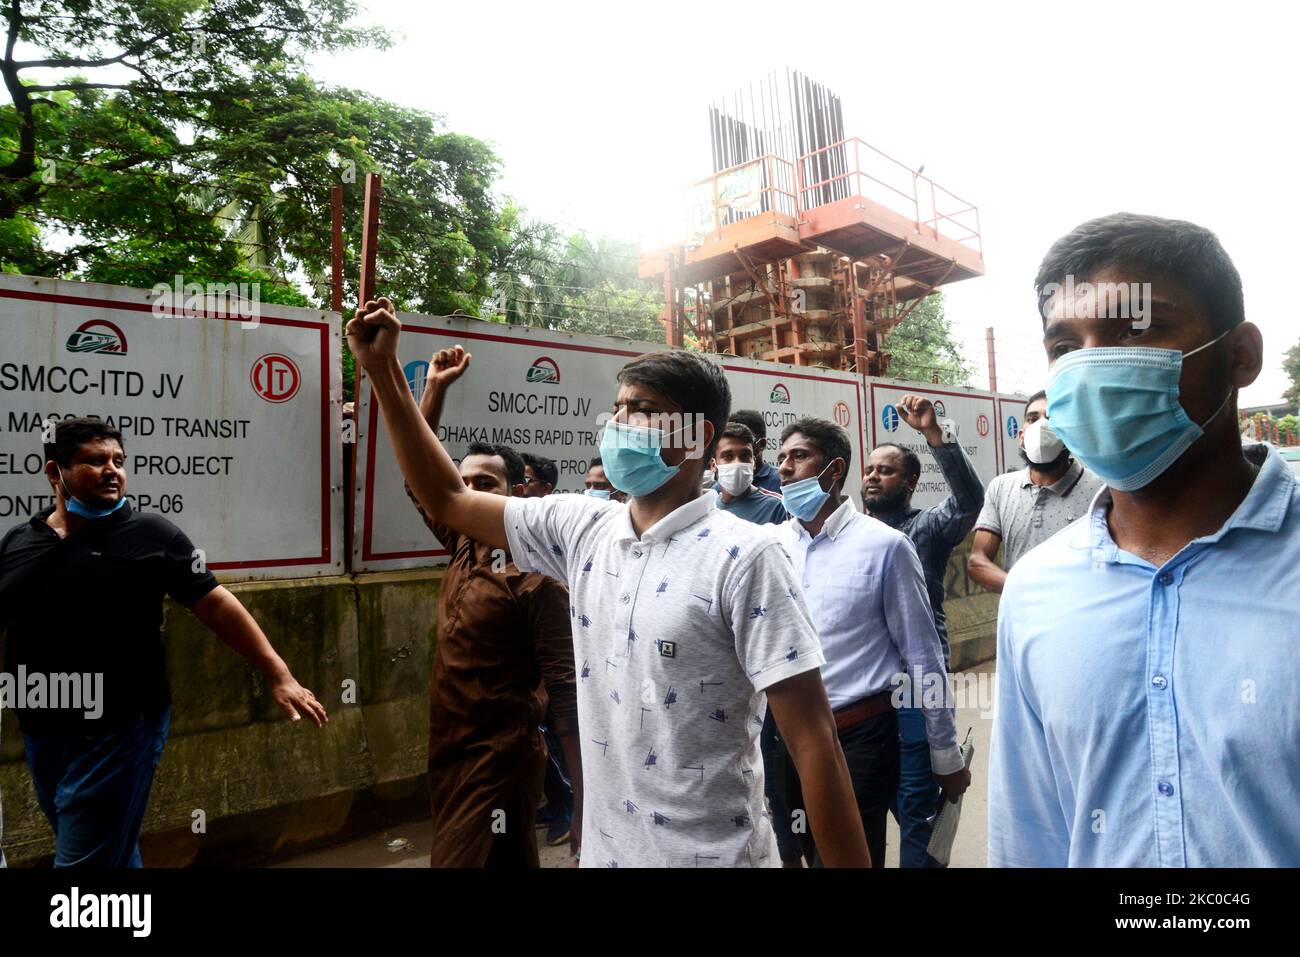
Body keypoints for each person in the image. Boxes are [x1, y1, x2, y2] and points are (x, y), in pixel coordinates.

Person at [348, 297, 871, 867]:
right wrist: (383, 372)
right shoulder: (580, 527)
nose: (618, 423)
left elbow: (814, 741)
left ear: (695, 438)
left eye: (640, 409)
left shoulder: (747, 556)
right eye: (617, 408)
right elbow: (446, 497)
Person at [989, 212, 1299, 867]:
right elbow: (1031, 832)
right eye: (1066, 345)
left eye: (1141, 329)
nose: (1094, 367)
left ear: (1239, 354)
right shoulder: (1036, 591)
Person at [0, 418, 326, 868]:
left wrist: (279, 673)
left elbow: (215, 605)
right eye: (94, 461)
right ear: (55, 473)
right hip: (41, 726)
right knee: (105, 845)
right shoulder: (20, 540)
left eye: (118, 460)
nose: (112, 470)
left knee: (84, 861)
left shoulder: (153, 535)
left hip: (119, 726)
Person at [774, 417, 970, 868]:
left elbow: (923, 656)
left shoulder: (886, 547)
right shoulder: (772, 546)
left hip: (859, 738)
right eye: (781, 458)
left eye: (799, 456)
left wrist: (945, 750)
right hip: (784, 735)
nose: (784, 468)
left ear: (834, 470)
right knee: (802, 852)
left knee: (847, 858)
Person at [410, 350, 581, 866]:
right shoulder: (464, 543)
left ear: (518, 493)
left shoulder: (538, 580)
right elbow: (421, 477)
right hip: (449, 750)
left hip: (500, 757)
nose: (471, 494)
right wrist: (434, 390)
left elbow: (567, 692)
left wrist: (584, 808)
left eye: (486, 485)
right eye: (463, 484)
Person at [861, 394, 984, 868]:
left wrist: (937, 437)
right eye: (869, 469)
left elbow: (970, 501)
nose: (873, 476)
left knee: (916, 809)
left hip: (915, 692)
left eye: (886, 470)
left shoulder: (926, 528)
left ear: (911, 482)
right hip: (861, 694)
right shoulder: (844, 534)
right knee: (868, 806)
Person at [968, 390, 1102, 592]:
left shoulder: (1101, 490)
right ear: (1021, 437)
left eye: (1051, 418)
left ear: (1069, 433)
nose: (1041, 426)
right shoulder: (1001, 488)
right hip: (1020, 619)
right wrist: (1025, 591)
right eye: (1032, 419)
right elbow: (977, 562)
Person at [519, 451, 579, 847]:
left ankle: (570, 809)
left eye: (526, 482)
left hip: (554, 663)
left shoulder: (556, 536)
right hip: (526, 665)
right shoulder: (508, 533)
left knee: (556, 738)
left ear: (544, 489)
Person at [712, 421, 787, 525]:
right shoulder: (709, 507)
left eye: (744, 456)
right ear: (713, 465)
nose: (737, 463)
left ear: (754, 462)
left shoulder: (778, 507)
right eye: (728, 456)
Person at [716, 409, 783, 494]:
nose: (736, 462)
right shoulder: (719, 488)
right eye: (728, 456)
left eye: (746, 439)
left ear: (762, 444)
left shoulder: (780, 482)